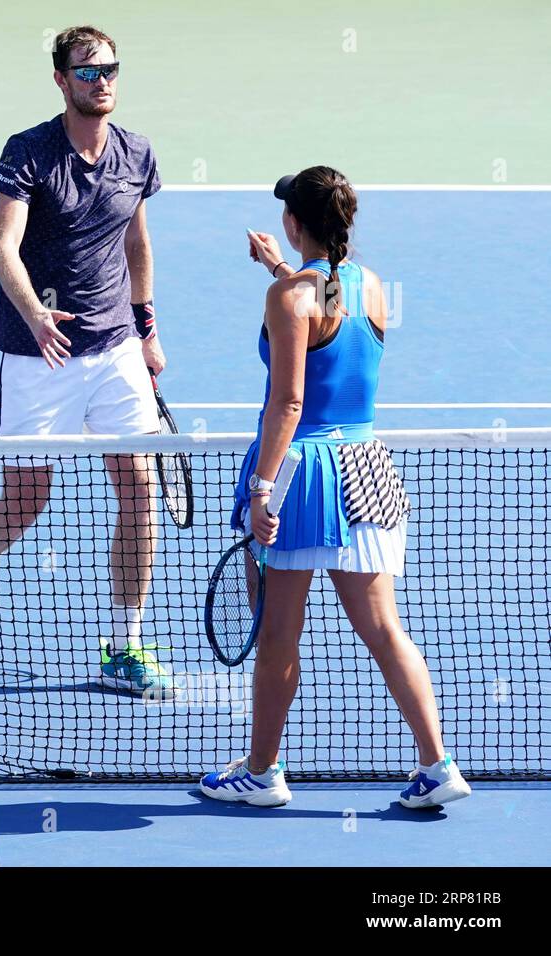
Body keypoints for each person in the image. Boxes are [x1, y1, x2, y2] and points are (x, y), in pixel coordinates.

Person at [200, 167, 471, 810]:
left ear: (293, 224)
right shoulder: (370, 286)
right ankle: (437, 764)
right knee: (384, 629)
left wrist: (263, 490)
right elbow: (328, 332)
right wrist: (282, 272)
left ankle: (263, 773)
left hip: (303, 478)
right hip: (368, 470)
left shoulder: (290, 299)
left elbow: (290, 402)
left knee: (278, 637)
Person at [0, 25, 173, 698]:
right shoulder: (30, 152)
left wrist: (148, 329)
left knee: (138, 491)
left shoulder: (137, 153)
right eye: (86, 72)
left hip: (116, 353)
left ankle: (122, 645)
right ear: (61, 80)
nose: (100, 80)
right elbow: (2, 249)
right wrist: (34, 313)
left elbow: (137, 242)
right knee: (28, 496)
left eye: (109, 70)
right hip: (37, 354)